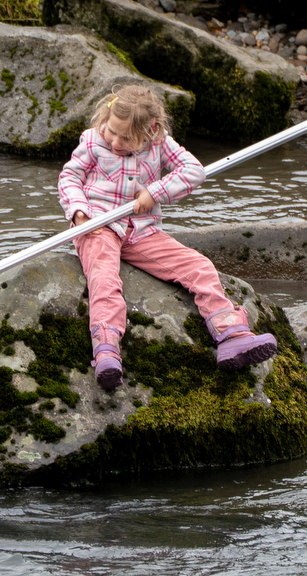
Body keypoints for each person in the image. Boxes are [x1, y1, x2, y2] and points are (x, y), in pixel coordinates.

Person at [58, 84, 278, 390]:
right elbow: (70, 177)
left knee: (199, 266)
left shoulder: (160, 143)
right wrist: (79, 212)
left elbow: (193, 171)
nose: (116, 142)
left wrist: (155, 192)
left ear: (150, 131)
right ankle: (106, 349)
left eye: (126, 138)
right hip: (98, 227)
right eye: (112, 132)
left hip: (142, 231)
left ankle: (231, 335)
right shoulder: (93, 141)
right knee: (105, 279)